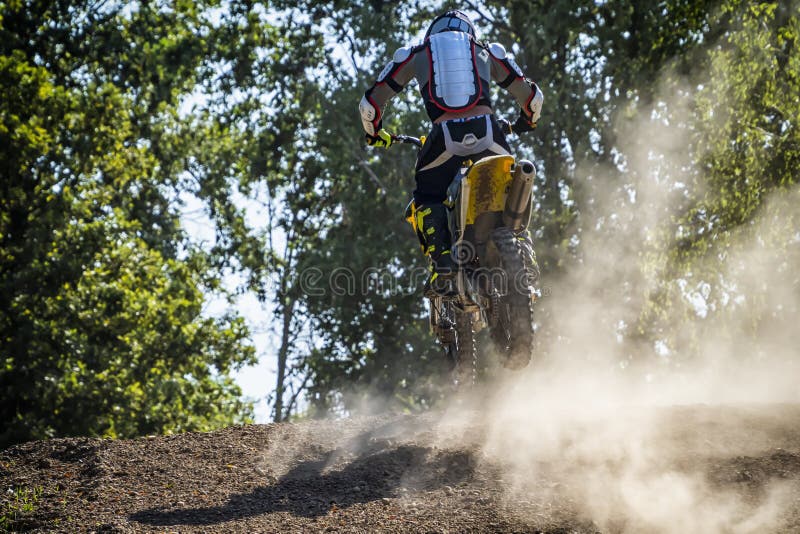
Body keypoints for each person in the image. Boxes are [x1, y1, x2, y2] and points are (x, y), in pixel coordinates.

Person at [358, 10, 542, 296]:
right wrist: (525, 122)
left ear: (432, 34)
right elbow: (533, 98)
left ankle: (443, 264)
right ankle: (522, 248)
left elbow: (369, 106)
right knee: (511, 181)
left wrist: (375, 134)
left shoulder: (415, 54)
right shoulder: (486, 50)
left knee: (428, 195)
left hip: (444, 137)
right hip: (489, 133)